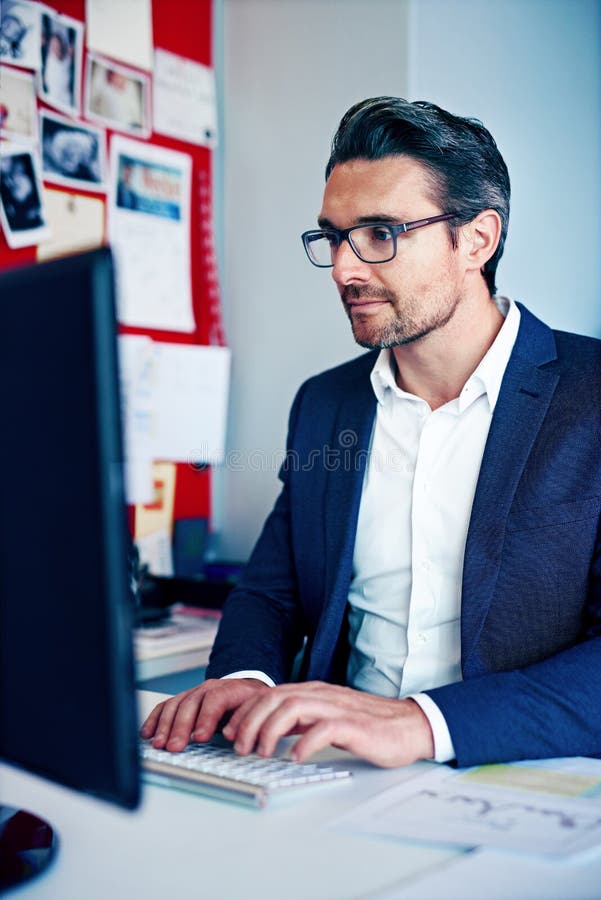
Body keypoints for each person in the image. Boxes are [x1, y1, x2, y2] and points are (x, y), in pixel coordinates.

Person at [141, 97, 601, 770]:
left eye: (381, 233)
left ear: (477, 239)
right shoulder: (326, 404)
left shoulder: (588, 395)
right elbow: (272, 592)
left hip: (522, 776)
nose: (344, 269)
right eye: (333, 235)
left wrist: (420, 724)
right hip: (333, 775)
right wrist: (246, 682)